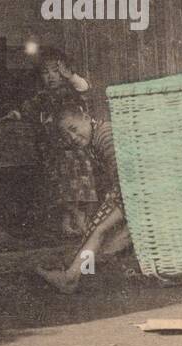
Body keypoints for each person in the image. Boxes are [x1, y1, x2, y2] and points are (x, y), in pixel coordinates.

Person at [35, 108, 132, 293]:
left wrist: (109, 205)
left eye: (74, 128)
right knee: (96, 230)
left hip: (132, 193)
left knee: (98, 230)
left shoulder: (104, 135)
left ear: (86, 118)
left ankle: (72, 278)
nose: (72, 137)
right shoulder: (94, 139)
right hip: (127, 192)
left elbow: (123, 178)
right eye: (66, 135)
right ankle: (77, 274)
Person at [3, 47, 97, 237]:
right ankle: (69, 218)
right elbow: (28, 109)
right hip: (54, 150)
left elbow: (84, 87)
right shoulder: (42, 97)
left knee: (79, 177)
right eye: (46, 73)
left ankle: (79, 216)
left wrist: (70, 76)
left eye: (56, 71)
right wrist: (18, 114)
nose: (51, 76)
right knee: (61, 183)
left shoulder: (71, 90)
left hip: (75, 148)